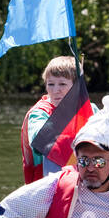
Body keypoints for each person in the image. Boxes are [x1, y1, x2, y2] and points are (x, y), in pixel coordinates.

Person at [20, 55, 94, 183]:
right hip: (44, 186)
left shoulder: (88, 109)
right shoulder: (39, 113)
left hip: (82, 181)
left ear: (77, 86)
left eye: (62, 84)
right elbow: (40, 140)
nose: (55, 90)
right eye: (51, 84)